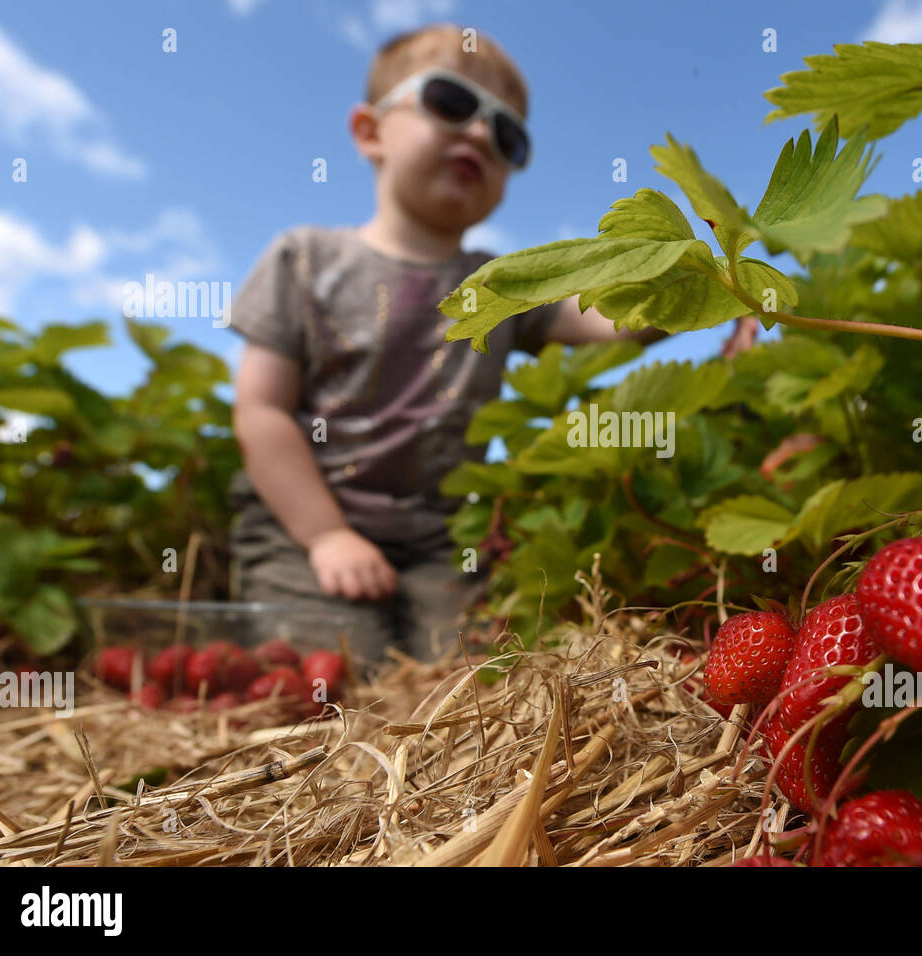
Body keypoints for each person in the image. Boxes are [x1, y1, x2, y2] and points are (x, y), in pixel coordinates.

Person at [228, 23, 757, 663]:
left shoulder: (501, 285)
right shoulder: (305, 259)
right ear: (370, 131)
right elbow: (261, 411)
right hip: (300, 525)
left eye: (508, 135)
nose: (480, 132)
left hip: (441, 541)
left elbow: (602, 323)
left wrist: (706, 289)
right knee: (331, 665)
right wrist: (327, 536)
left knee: (468, 675)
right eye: (452, 102)